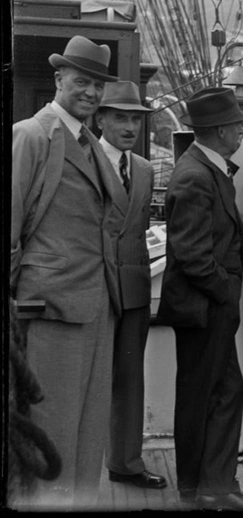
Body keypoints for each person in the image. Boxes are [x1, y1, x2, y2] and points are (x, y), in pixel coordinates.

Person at [9, 35, 124, 509]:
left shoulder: (89, 142)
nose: (91, 93)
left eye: (98, 85)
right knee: (51, 429)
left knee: (88, 428)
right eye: (82, 81)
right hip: (51, 306)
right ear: (59, 79)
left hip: (96, 307)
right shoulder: (32, 136)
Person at [156, 86, 243, 511]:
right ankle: (213, 489)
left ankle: (201, 486)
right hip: (206, 309)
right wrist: (226, 292)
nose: (241, 130)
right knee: (219, 394)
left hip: (203, 309)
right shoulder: (197, 176)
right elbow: (192, 254)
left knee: (210, 393)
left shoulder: (202, 168)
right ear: (220, 131)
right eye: (237, 124)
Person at [95, 81, 166, 491]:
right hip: (97, 286)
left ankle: (125, 462)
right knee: (86, 380)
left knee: (130, 379)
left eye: (135, 118)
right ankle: (78, 464)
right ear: (100, 119)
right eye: (119, 117)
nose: (128, 126)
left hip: (135, 287)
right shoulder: (84, 161)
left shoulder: (143, 167)